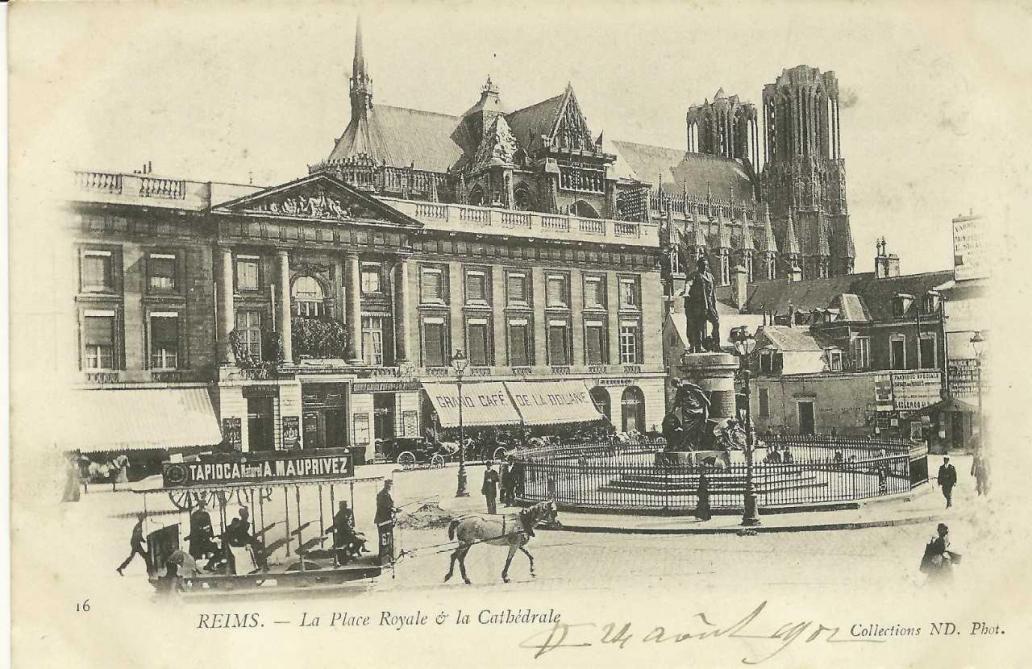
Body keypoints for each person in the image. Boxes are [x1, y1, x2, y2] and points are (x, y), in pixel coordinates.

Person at [684, 256, 720, 352]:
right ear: (698, 265)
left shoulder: (710, 276)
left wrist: (714, 303)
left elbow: (713, 291)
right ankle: (699, 347)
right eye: (703, 265)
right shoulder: (694, 275)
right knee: (700, 325)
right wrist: (686, 292)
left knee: (716, 323)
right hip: (699, 305)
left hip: (710, 304)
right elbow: (688, 284)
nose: (705, 267)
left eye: (706, 265)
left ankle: (716, 344)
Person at [374, 480, 399, 566]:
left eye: (391, 485)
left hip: (385, 520)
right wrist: (393, 509)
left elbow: (389, 506)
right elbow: (385, 507)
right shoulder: (383, 495)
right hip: (383, 521)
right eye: (389, 485)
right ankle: (384, 559)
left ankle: (386, 557)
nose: (390, 487)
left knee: (386, 539)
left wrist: (394, 509)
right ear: (386, 485)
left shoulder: (385, 494)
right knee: (384, 540)